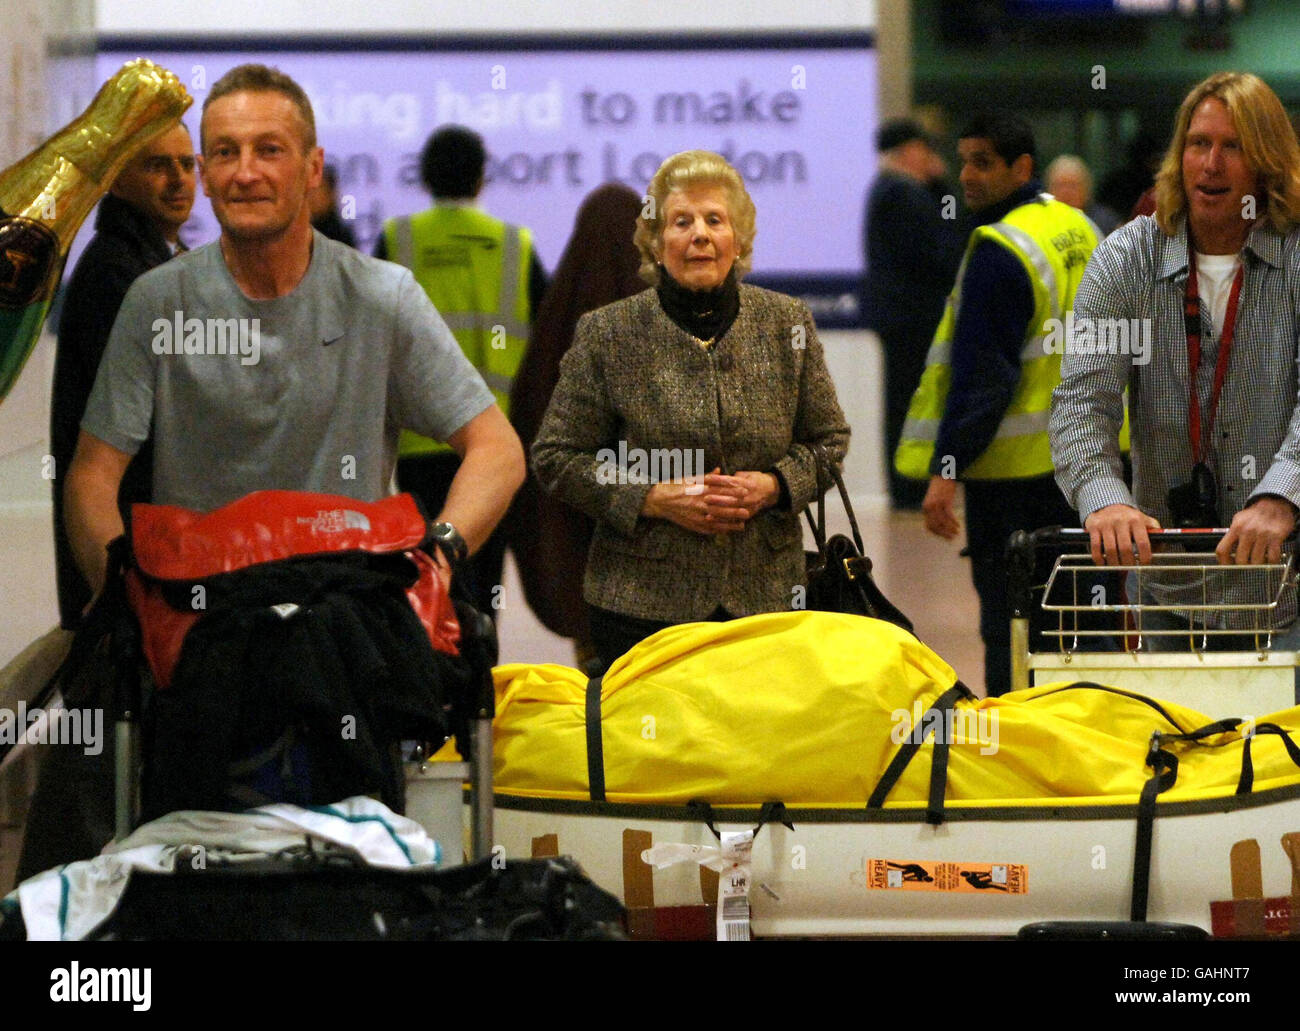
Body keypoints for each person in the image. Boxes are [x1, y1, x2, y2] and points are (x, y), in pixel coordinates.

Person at [24, 63, 524, 883]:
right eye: (223, 153)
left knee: (348, 880)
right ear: (207, 173)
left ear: (312, 169)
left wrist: (436, 560)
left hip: (348, 649)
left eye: (269, 149)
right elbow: (91, 475)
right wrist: (123, 589)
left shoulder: (380, 295)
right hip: (203, 651)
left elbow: (497, 450)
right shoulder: (156, 301)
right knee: (204, 885)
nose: (244, 171)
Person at [531, 150, 850, 673]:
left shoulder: (786, 322)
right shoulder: (607, 333)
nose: (700, 234)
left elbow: (829, 441)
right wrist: (651, 498)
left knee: (756, 748)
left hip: (766, 600)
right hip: (641, 604)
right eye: (682, 222)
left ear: (738, 240)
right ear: (656, 243)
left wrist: (773, 486)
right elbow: (556, 457)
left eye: (714, 220)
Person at [1051, 71, 1300, 647]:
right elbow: (1081, 403)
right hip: (1167, 586)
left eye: (1233, 147)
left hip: (1284, 582)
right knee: (1172, 734)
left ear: (1267, 161)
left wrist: (1281, 495)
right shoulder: (1125, 259)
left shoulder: (1294, 255)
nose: (1211, 164)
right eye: (1198, 143)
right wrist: (1105, 500)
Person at [895, 114, 1099, 696]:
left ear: (1022, 168)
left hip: (1015, 485)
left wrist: (945, 471)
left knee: (1011, 630)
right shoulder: (1076, 227)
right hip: (1089, 470)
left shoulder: (998, 249)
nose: (967, 176)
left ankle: (1013, 750)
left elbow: (984, 378)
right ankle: (1083, 741)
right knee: (1079, 624)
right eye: (963, 161)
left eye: (983, 162)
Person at [376, 124, 546, 616]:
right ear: (481, 178)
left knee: (415, 581)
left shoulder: (397, 237)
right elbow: (547, 342)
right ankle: (476, 684)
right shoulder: (515, 244)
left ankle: (427, 683)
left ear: (425, 176)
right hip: (493, 444)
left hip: (414, 443)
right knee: (477, 587)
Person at [48, 121, 196, 628]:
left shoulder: (152, 260)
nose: (178, 179)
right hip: (133, 543)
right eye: (158, 165)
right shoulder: (119, 271)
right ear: (115, 178)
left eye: (186, 163)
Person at [507, 182, 645, 666]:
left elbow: (530, 415)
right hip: (652, 528)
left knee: (597, 655)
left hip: (575, 513)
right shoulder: (657, 314)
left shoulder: (558, 320)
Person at [861, 118, 964, 510]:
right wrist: (941, 188)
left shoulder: (885, 191)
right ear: (909, 152)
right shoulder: (904, 195)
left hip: (899, 316)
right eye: (924, 149)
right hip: (913, 317)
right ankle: (910, 487)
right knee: (910, 404)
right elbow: (944, 250)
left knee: (902, 402)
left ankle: (907, 485)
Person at [1044, 154, 1122, 237]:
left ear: (1087, 189)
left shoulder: (1107, 223)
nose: (1066, 192)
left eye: (1072, 186)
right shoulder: (1040, 222)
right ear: (1049, 190)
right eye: (1060, 186)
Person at [308, 163, 356, 246]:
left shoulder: (341, 236)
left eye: (318, 189)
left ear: (331, 194)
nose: (312, 196)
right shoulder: (296, 233)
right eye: (310, 189)